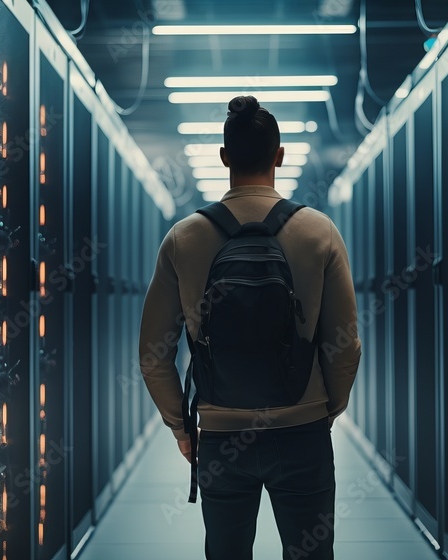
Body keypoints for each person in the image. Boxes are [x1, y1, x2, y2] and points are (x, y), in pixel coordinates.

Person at [139, 95, 361, 560]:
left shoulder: (183, 237)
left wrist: (183, 428)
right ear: (279, 156)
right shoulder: (319, 232)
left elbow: (154, 354)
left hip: (221, 433)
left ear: (224, 159)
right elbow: (346, 346)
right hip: (302, 431)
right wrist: (324, 410)